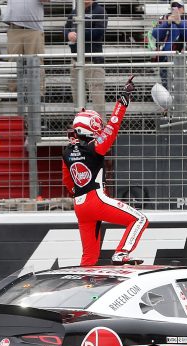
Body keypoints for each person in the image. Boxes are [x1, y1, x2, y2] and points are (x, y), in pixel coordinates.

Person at [62, 76, 148, 266]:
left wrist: (78, 192)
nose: (100, 128)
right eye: (97, 125)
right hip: (96, 200)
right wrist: (122, 101)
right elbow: (113, 127)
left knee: (89, 257)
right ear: (91, 127)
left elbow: (67, 180)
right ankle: (121, 253)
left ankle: (84, 290)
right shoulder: (96, 147)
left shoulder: (67, 150)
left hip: (80, 205)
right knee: (139, 219)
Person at [64, 0, 107, 114]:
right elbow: (65, 28)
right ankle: (81, 126)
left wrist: (79, 35)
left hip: (93, 62)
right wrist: (68, 34)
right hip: (76, 62)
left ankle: (101, 128)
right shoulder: (75, 11)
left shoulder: (100, 11)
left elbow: (99, 32)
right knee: (78, 100)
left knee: (98, 101)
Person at [151, 1, 187, 89]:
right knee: (167, 86)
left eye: (178, 7)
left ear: (183, 8)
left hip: (183, 59)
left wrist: (179, 23)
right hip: (165, 59)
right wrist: (167, 23)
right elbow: (154, 34)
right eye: (173, 7)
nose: (176, 9)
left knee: (182, 88)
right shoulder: (164, 18)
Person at [3, 0, 47, 93]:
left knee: (35, 62)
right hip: (14, 29)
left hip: (33, 30)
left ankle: (38, 93)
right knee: (13, 62)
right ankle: (13, 93)